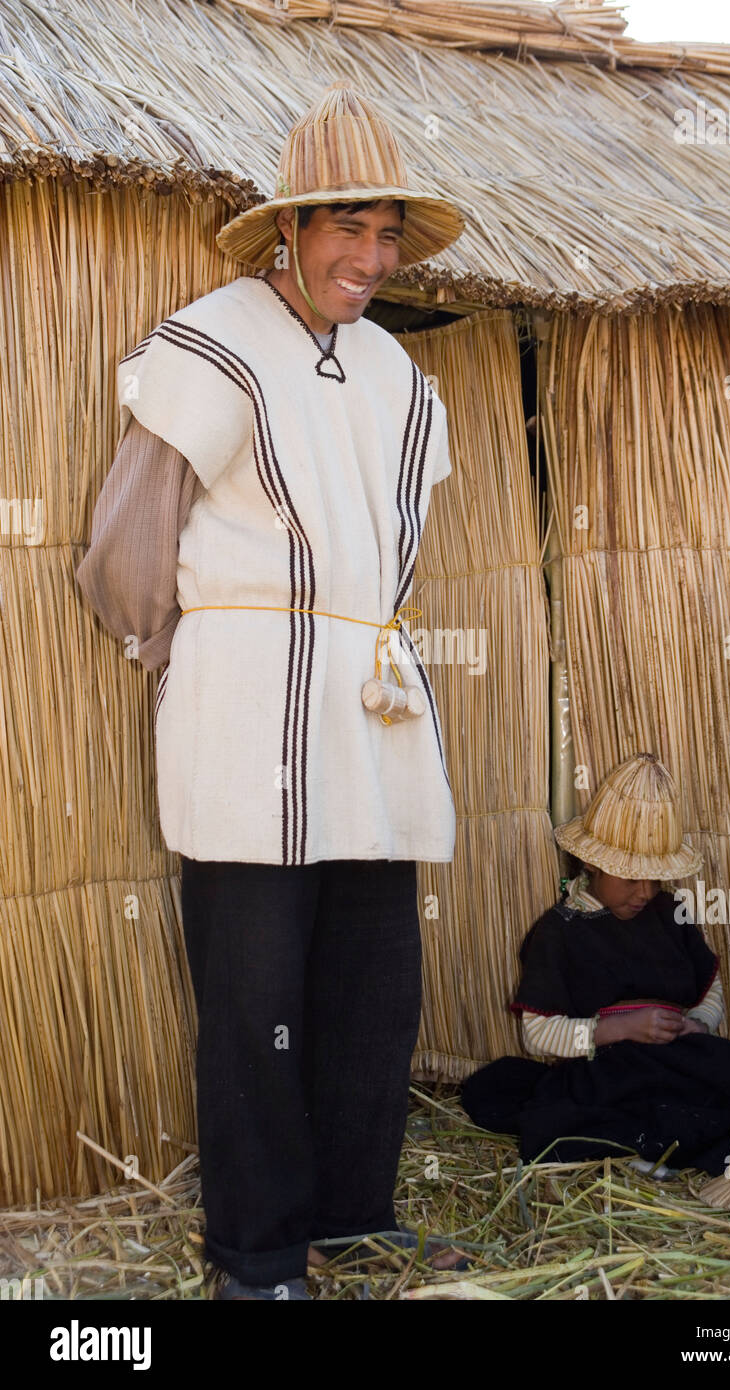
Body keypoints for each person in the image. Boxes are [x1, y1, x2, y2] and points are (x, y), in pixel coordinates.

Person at [76, 83, 469, 1298]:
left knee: (369, 981)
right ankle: (254, 1252)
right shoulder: (219, 336)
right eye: (344, 227)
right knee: (254, 996)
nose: (367, 254)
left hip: (369, 703)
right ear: (290, 231)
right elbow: (127, 545)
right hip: (247, 706)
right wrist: (183, 653)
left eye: (386, 232)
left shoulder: (396, 371)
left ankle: (352, 1213)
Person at [461, 754, 730, 1176]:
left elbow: (711, 991)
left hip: (686, 1053)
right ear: (591, 864)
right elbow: (538, 1034)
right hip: (612, 1069)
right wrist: (621, 1028)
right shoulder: (560, 931)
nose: (644, 891)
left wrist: (699, 1024)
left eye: (654, 879)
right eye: (631, 878)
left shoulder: (670, 913)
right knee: (677, 1115)